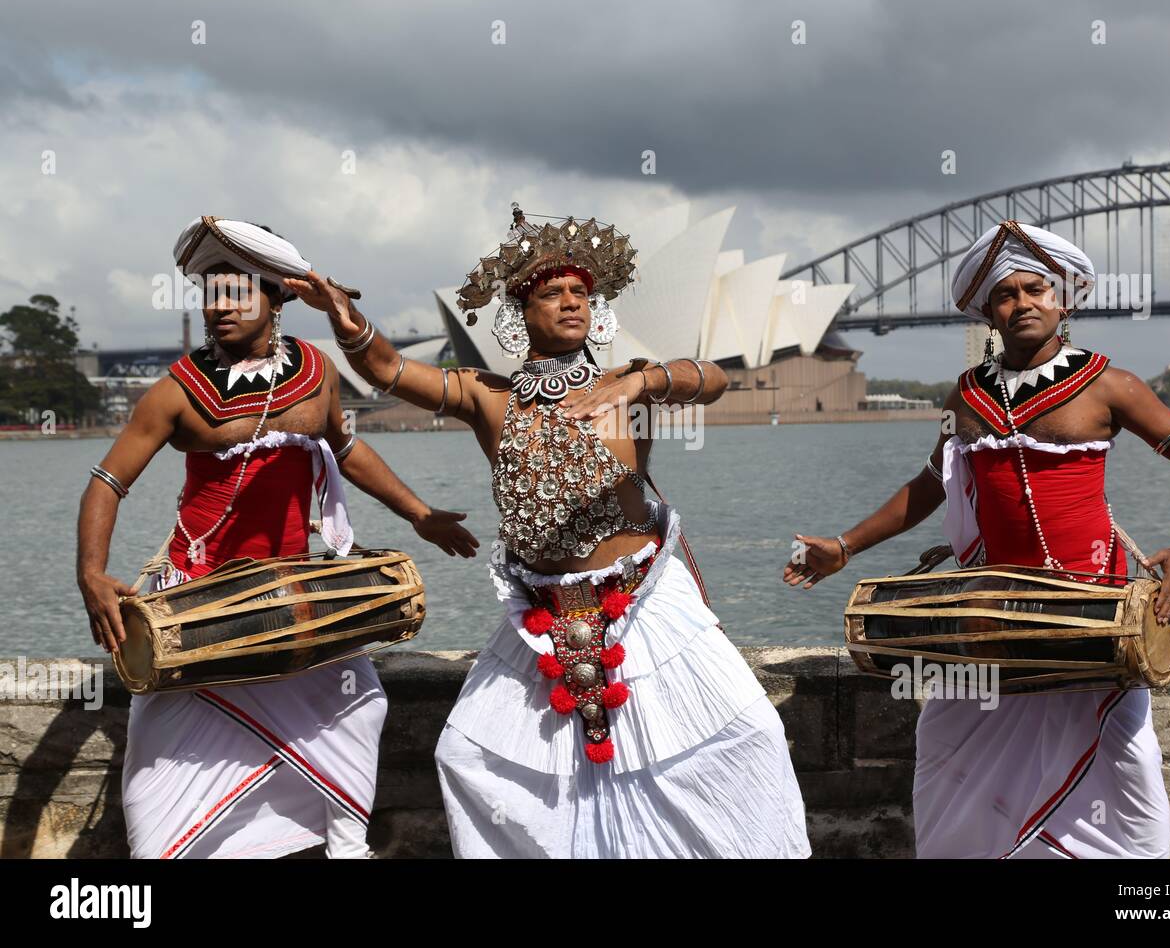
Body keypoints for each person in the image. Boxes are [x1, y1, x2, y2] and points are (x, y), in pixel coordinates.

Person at [286, 206, 811, 858]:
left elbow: (713, 380)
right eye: (553, 292)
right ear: (519, 310)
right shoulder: (489, 396)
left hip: (645, 601)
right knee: (466, 755)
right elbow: (391, 372)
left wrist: (642, 381)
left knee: (746, 733)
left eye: (582, 294)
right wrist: (346, 318)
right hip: (540, 611)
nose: (572, 304)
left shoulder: (627, 382)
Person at [785, 220, 1170, 858]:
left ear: (1062, 298)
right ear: (988, 312)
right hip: (994, 613)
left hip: (1091, 613)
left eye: (1035, 288)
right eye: (1006, 295)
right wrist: (843, 548)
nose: (1023, 303)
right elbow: (931, 483)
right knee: (946, 749)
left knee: (1123, 764)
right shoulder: (965, 397)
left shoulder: (1109, 384)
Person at [76, 216, 478, 859]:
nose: (219, 307)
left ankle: (346, 849)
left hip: (290, 600)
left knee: (361, 703)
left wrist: (418, 513)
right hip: (196, 601)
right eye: (210, 293)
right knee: (158, 768)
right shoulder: (177, 392)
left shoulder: (316, 372)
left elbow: (345, 448)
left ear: (278, 298)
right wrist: (91, 574)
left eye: (236, 291)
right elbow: (106, 481)